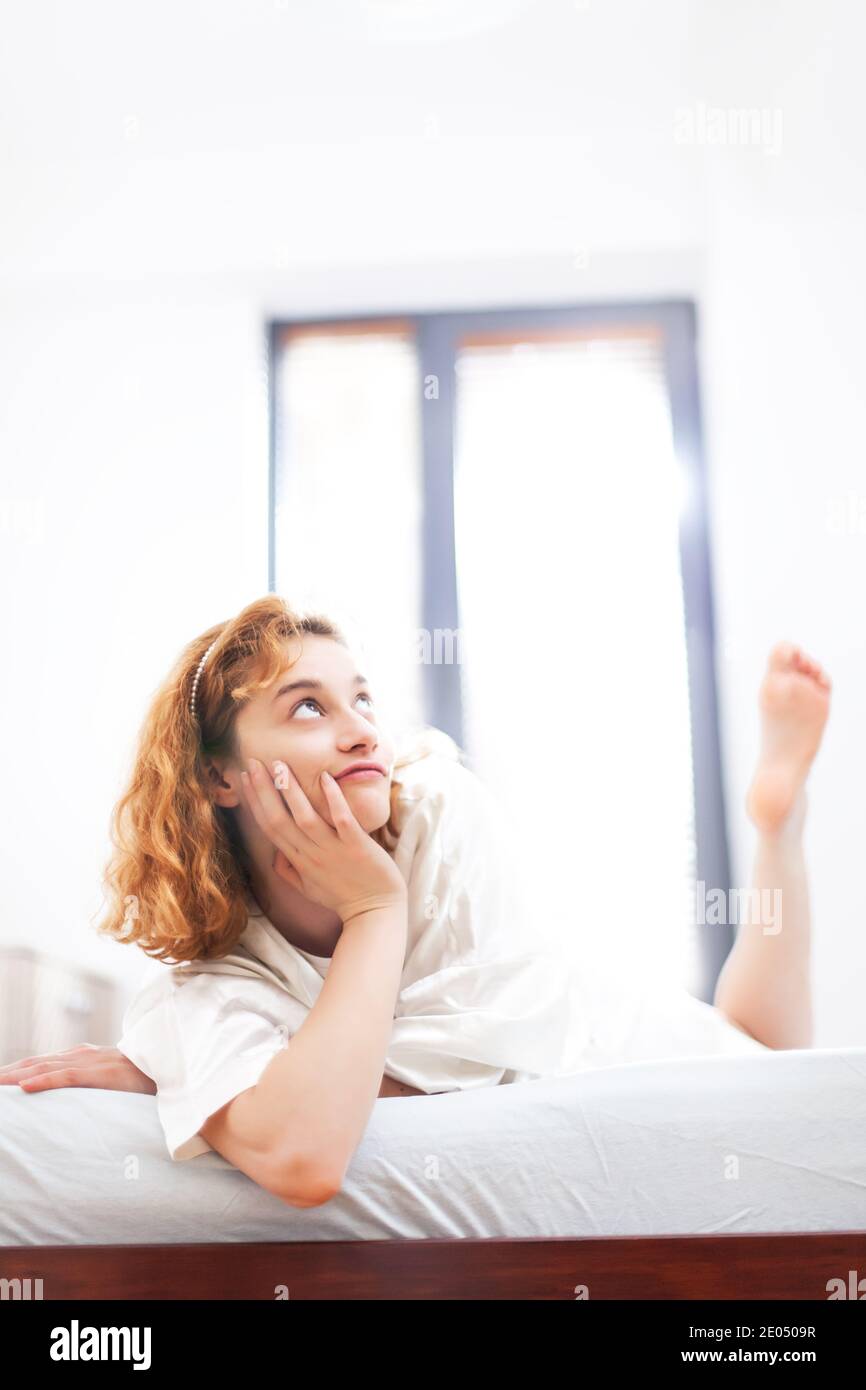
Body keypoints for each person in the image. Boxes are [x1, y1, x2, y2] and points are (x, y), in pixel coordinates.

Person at [0, 597, 831, 1206]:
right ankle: (777, 821)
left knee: (767, 1058)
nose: (363, 730)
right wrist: (372, 918)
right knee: (779, 1066)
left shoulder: (439, 806)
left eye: (363, 699)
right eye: (309, 707)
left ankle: (775, 824)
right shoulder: (205, 993)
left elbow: (481, 1054)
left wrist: (228, 1083)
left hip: (635, 1033)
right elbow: (305, 1159)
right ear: (219, 775)